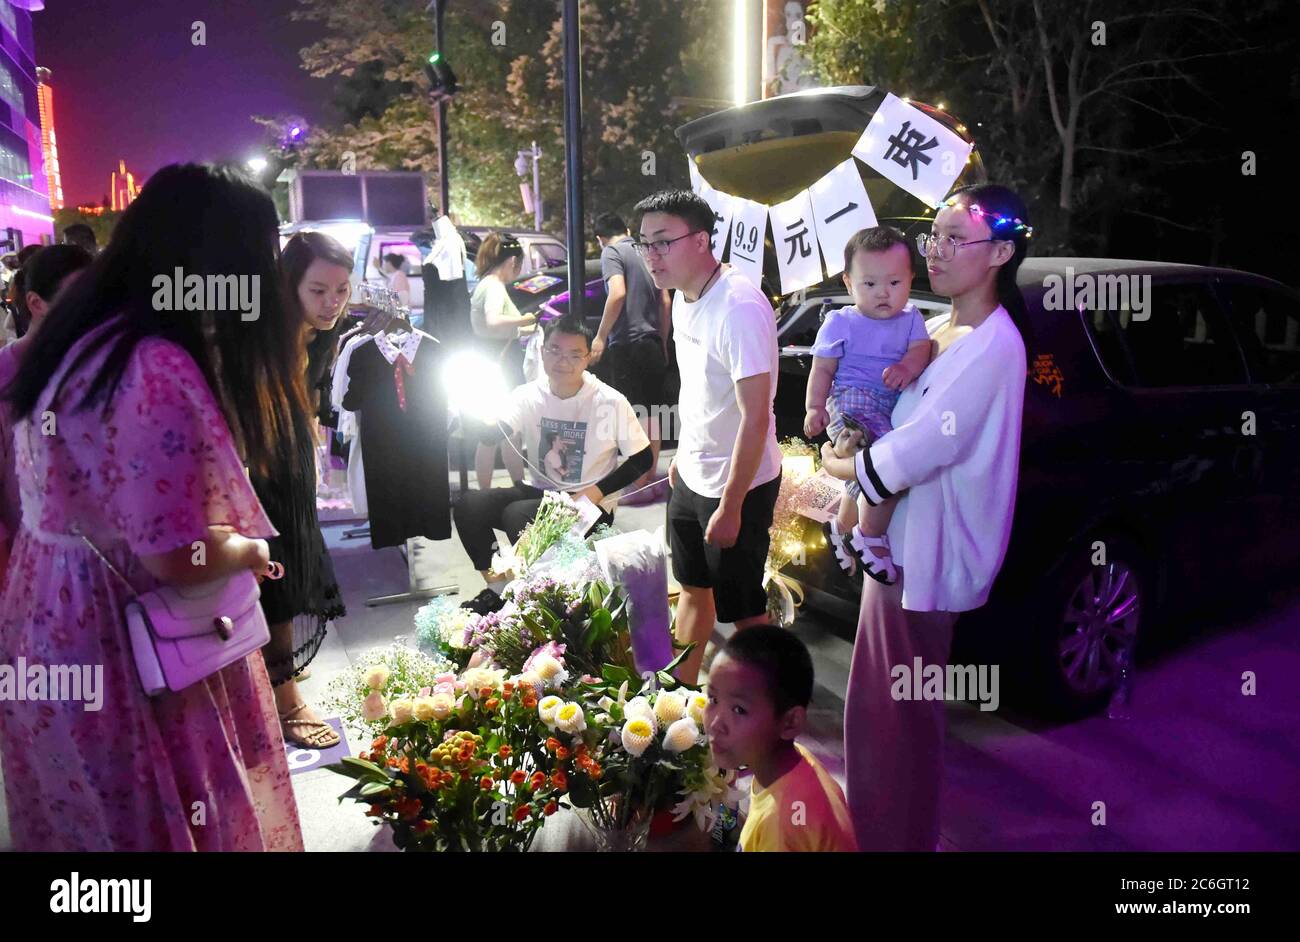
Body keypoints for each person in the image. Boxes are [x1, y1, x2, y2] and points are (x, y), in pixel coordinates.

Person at [0, 163, 308, 850]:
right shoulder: (151, 363)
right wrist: (252, 552)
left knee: (91, 834)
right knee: (171, 823)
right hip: (132, 643)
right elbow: (174, 554)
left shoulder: (73, 341)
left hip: (49, 626)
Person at [818, 184, 1031, 852]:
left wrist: (842, 473)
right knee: (884, 718)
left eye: (951, 239)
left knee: (896, 724)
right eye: (932, 235)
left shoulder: (994, 346)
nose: (934, 249)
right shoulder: (944, 329)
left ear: (999, 252)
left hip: (926, 562)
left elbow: (926, 446)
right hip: (902, 551)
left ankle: (895, 841)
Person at [634, 189, 782, 686]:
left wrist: (733, 504)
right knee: (693, 588)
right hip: (692, 474)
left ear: (701, 241)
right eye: (644, 244)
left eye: (662, 243)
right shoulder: (679, 296)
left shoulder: (739, 307)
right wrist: (682, 457)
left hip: (737, 484)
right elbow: (698, 388)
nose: (651, 256)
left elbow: (756, 417)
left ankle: (768, 710)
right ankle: (677, 708)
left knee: (744, 611)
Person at [453, 316, 652, 595]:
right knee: (469, 505)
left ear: (587, 358)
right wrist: (471, 409)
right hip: (541, 493)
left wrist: (594, 492)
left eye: (574, 354)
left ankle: (537, 592)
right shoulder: (527, 395)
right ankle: (501, 588)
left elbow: (642, 459)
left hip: (588, 505)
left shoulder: (609, 401)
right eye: (555, 351)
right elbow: (492, 435)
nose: (563, 362)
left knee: (516, 516)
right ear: (541, 350)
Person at [254, 231, 352, 749]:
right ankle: (284, 696)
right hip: (256, 466)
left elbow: (311, 408)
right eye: (318, 290)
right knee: (274, 575)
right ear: (289, 285)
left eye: (340, 290)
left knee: (289, 566)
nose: (331, 303)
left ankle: (279, 677)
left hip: (292, 461)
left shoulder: (324, 335)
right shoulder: (259, 337)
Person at [803, 226, 932, 583]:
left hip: (887, 404)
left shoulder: (911, 318)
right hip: (851, 404)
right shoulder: (840, 321)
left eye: (894, 283)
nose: (883, 293)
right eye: (870, 284)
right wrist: (815, 408)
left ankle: (841, 529)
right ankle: (869, 537)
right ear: (848, 283)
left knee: (860, 478)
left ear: (910, 279)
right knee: (887, 468)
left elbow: (921, 349)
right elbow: (822, 369)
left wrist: (908, 366)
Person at [705, 626, 857, 852]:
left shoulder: (780, 825)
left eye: (739, 710)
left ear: (790, 722)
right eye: (713, 698)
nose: (716, 724)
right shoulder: (794, 761)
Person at [0, 244, 94, 581]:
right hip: (25, 568)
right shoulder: (4, 377)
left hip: (96, 567)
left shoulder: (97, 369)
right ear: (36, 304)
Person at [593, 211, 672, 499]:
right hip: (651, 342)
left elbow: (617, 293)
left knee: (635, 415)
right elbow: (665, 300)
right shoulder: (644, 252)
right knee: (653, 413)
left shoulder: (611, 253)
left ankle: (638, 484)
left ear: (601, 239)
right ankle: (649, 480)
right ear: (626, 228)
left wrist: (601, 336)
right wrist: (663, 340)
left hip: (627, 344)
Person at [468, 233, 535, 490]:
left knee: (501, 430)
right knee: (496, 431)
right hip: (499, 366)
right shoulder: (494, 286)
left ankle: (514, 483)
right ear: (512, 261)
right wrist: (525, 320)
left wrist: (522, 329)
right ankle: (498, 488)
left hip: (489, 361)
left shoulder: (484, 283)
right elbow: (493, 321)